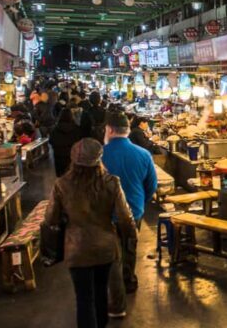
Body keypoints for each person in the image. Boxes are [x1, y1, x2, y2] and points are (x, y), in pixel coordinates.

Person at [44, 138, 137, 328]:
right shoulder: (112, 182)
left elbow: (50, 220)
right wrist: (131, 237)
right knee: (101, 292)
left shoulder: (61, 185)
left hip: (76, 250)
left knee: (84, 299)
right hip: (105, 248)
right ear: (99, 158)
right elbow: (125, 217)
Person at [101, 112, 158, 317]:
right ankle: (129, 281)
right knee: (130, 247)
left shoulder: (100, 154)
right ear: (127, 130)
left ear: (109, 130)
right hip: (135, 210)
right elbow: (152, 184)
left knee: (113, 251)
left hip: (107, 213)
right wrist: (141, 202)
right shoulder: (143, 154)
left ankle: (115, 293)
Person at [49, 109, 81, 177]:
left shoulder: (55, 129)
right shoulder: (76, 128)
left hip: (59, 156)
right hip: (73, 156)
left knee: (61, 176)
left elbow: (51, 141)